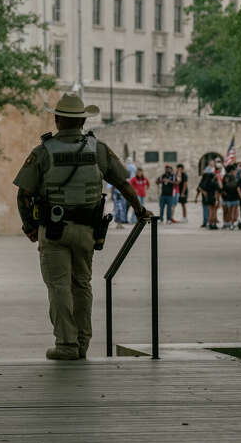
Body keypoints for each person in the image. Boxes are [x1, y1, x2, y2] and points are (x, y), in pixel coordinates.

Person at [13, 93, 150, 361]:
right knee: (82, 285)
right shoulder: (98, 149)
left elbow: (23, 194)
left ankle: (66, 344)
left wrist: (29, 226)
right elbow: (123, 184)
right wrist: (140, 210)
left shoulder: (43, 151)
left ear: (57, 119)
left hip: (53, 230)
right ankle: (83, 343)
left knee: (59, 286)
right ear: (83, 120)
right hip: (88, 231)